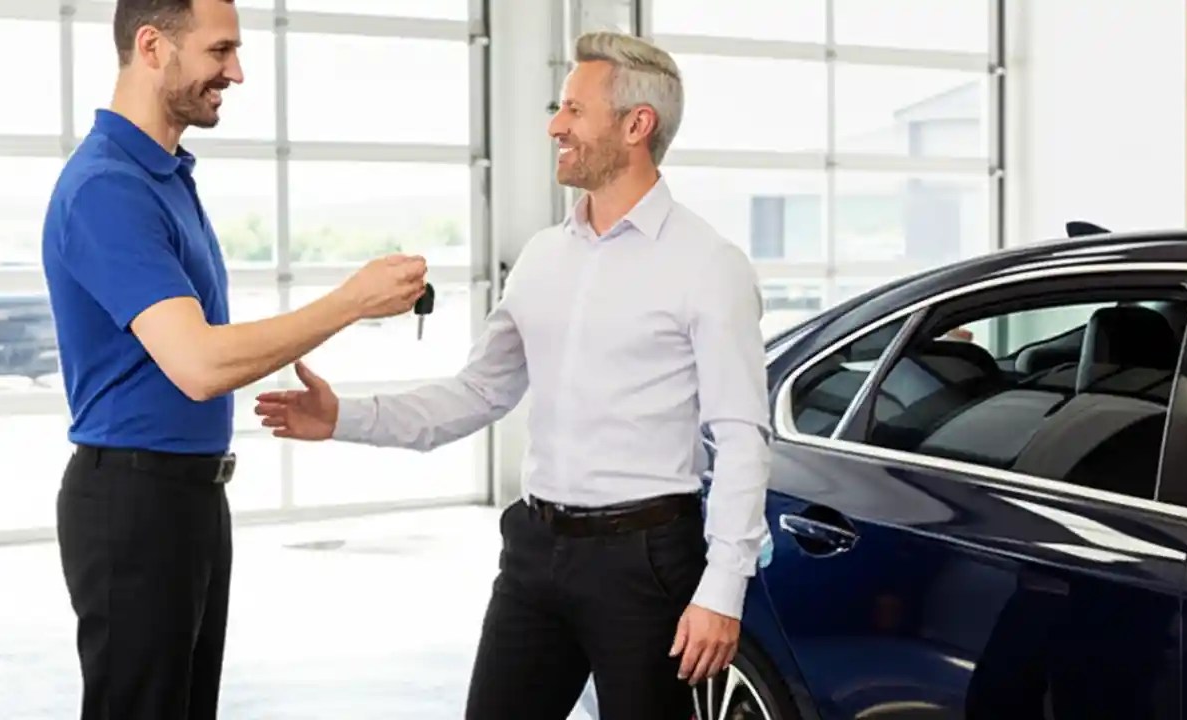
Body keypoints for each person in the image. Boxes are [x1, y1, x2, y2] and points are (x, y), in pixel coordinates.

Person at [255, 30, 770, 719]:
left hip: (645, 563)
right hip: (534, 551)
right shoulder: (543, 257)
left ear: (636, 125)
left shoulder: (709, 264)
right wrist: (343, 418)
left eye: (574, 111)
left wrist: (721, 589)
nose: (555, 126)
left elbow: (741, 437)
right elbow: (479, 391)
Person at [40, 1, 427, 718]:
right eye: (220, 51)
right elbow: (198, 364)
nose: (237, 72)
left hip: (182, 499)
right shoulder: (108, 190)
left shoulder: (162, 177)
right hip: (134, 505)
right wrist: (351, 301)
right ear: (152, 46)